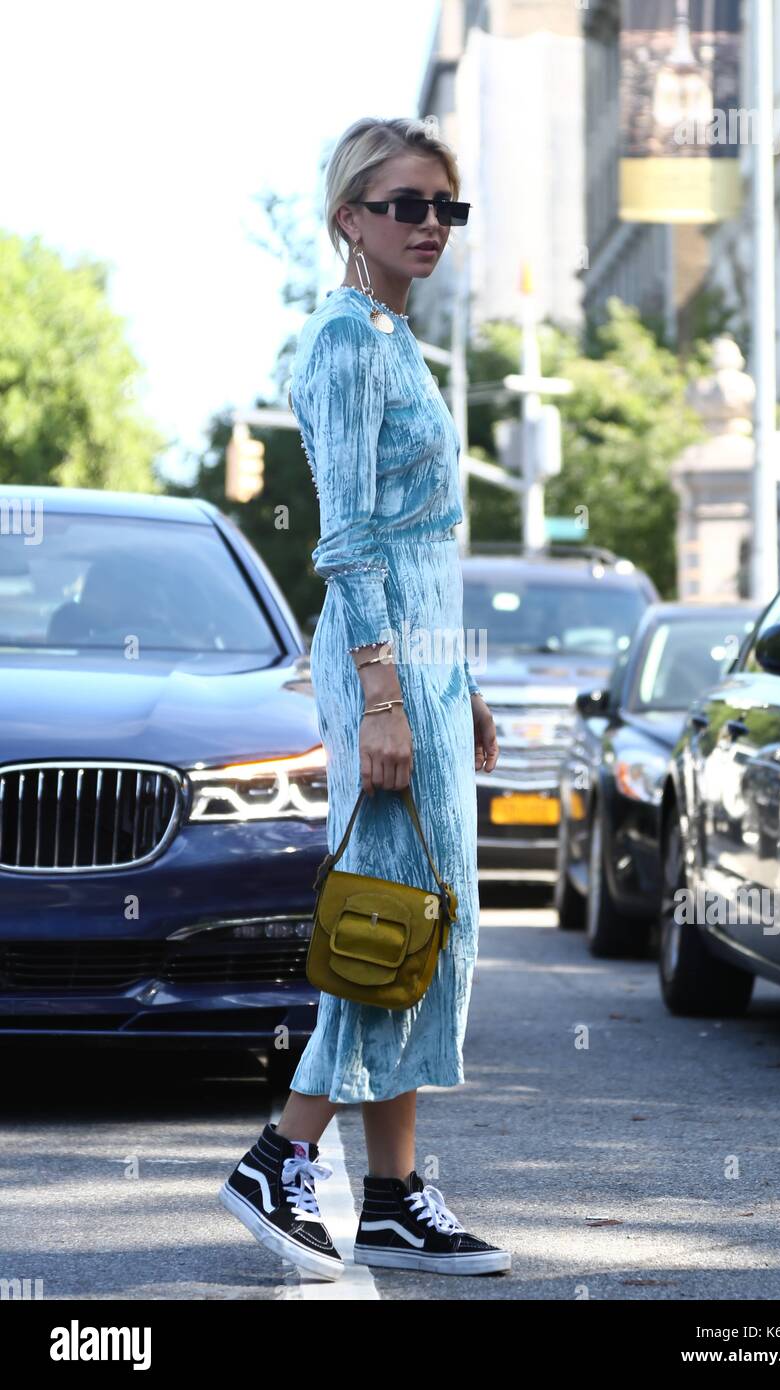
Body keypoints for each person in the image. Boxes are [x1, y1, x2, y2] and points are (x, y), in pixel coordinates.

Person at [220, 116, 510, 1279]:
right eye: (405, 205)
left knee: (424, 932)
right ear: (349, 219)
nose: (429, 224)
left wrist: (461, 684)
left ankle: (390, 1196)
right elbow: (345, 542)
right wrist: (386, 698)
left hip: (428, 670)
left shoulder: (399, 344)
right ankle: (281, 1160)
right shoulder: (342, 343)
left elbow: (424, 539)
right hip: (381, 670)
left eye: (445, 206)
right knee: (382, 925)